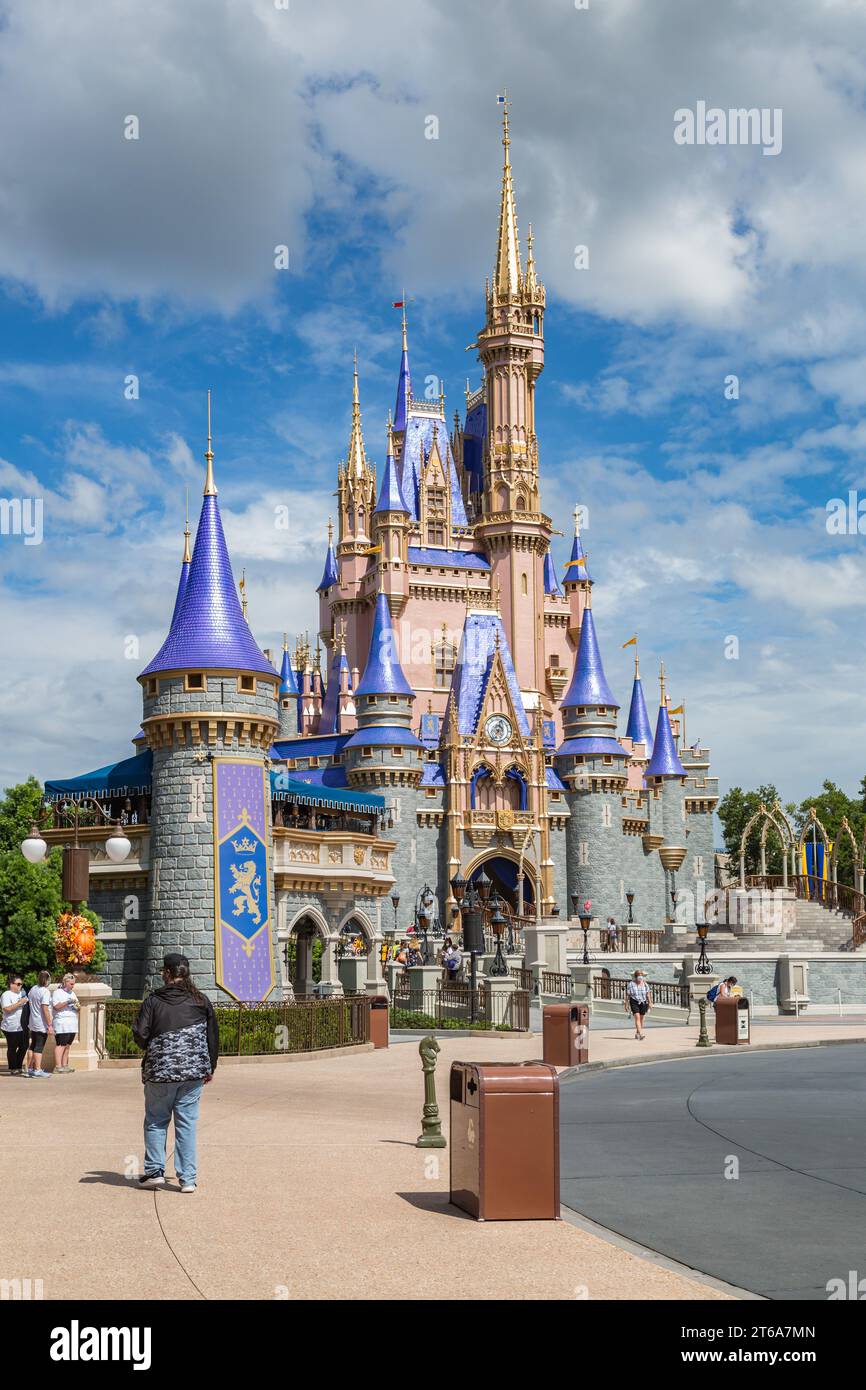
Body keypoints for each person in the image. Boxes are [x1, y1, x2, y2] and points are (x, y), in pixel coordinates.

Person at [132, 953, 218, 1193]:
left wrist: (153, 1044)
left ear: (166, 974)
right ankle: (188, 1179)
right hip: (193, 1073)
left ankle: (154, 1172)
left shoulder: (153, 1001)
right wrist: (210, 1066)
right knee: (187, 1124)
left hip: (160, 1072)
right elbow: (212, 1035)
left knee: (156, 1121)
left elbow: (140, 1033)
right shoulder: (201, 1000)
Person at [26, 971, 54, 1077]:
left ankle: (29, 1069)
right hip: (41, 1023)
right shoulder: (45, 991)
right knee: (39, 1046)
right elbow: (45, 1008)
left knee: (32, 1045)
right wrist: (50, 1025)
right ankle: (37, 1070)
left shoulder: (33, 989)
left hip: (33, 1022)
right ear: (47, 980)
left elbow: (30, 1003)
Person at [51, 973, 80, 1073]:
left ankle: (65, 1065)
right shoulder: (57, 993)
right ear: (65, 982)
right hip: (62, 1022)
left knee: (67, 1045)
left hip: (72, 1022)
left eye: (73, 984)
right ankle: (58, 1066)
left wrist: (76, 1007)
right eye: (71, 984)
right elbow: (56, 1006)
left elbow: (78, 1006)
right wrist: (67, 1002)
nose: (73, 986)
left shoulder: (72, 993)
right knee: (61, 1044)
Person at [2, 973, 29, 1075]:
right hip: (10, 1026)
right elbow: (7, 1009)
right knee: (12, 1048)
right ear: (11, 984)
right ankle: (13, 1068)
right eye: (18, 984)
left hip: (22, 1025)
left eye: (21, 984)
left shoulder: (21, 994)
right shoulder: (6, 994)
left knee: (24, 1045)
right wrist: (20, 1003)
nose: (20, 986)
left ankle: (18, 1066)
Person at [624, 969, 652, 1040]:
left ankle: (637, 1033)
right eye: (639, 975)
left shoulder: (645, 984)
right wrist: (626, 1004)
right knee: (637, 1017)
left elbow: (648, 994)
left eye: (641, 975)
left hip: (643, 1002)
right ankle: (641, 1034)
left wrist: (650, 1002)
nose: (640, 977)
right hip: (634, 1001)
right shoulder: (631, 984)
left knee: (641, 1019)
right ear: (636, 976)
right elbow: (628, 995)